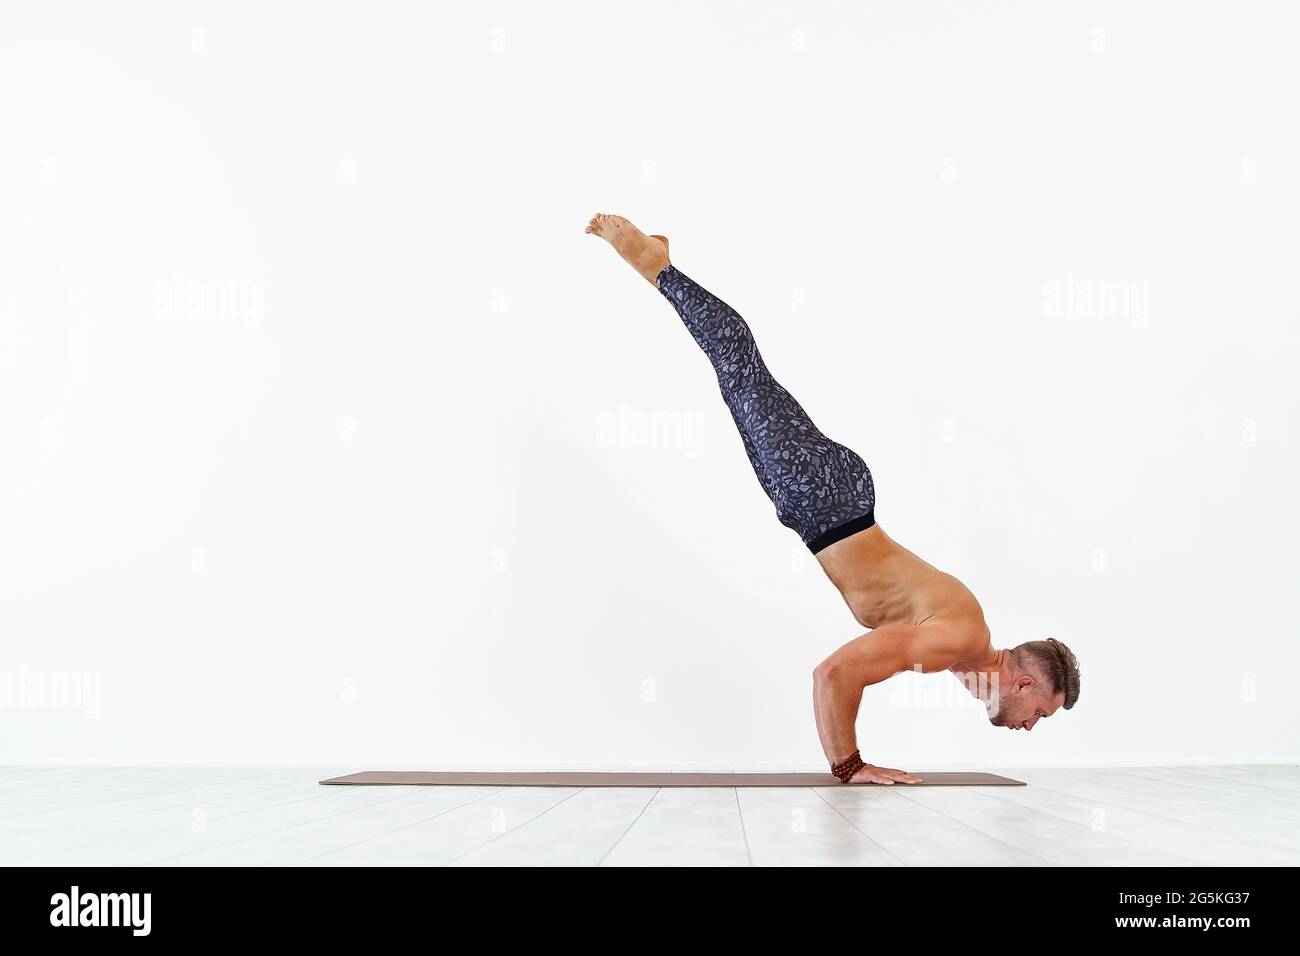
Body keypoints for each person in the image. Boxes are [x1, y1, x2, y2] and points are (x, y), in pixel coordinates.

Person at [587, 213, 1081, 784]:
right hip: (824, 498)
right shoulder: (960, 640)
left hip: (825, 502)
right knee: (740, 372)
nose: (1030, 725)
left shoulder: (969, 651)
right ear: (1022, 684)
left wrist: (988, 688)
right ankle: (659, 266)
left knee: (741, 380)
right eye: (1039, 712)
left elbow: (963, 666)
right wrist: (850, 767)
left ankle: (666, 268)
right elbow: (835, 674)